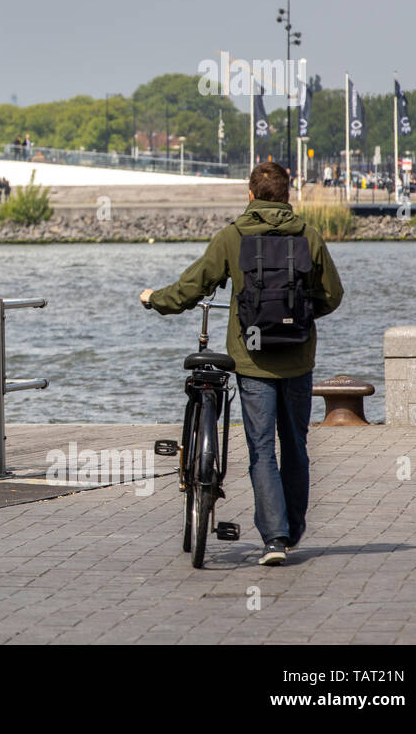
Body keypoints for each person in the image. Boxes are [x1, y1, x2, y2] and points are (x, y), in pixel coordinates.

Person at [138, 162, 343, 566]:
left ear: (250, 195)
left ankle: (274, 539)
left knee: (262, 448)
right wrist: (298, 318)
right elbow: (332, 295)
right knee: (296, 446)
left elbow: (191, 287)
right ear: (288, 196)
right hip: (298, 358)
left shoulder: (232, 236)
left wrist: (153, 299)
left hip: (252, 360)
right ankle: (293, 527)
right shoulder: (310, 236)